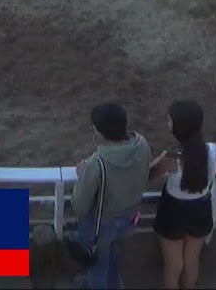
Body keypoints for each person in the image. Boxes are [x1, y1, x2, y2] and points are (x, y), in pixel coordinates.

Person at [149, 100, 216, 290]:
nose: (167, 123)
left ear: (178, 128)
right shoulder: (214, 150)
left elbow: (150, 175)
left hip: (173, 211)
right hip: (201, 208)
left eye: (169, 121)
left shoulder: (173, 157)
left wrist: (161, 157)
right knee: (191, 260)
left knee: (174, 264)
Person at [70, 102, 150, 290]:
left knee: (98, 265)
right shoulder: (142, 144)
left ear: (98, 132)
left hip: (101, 225)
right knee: (113, 252)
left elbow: (79, 206)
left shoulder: (96, 165)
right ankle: (114, 284)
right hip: (130, 218)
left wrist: (82, 176)